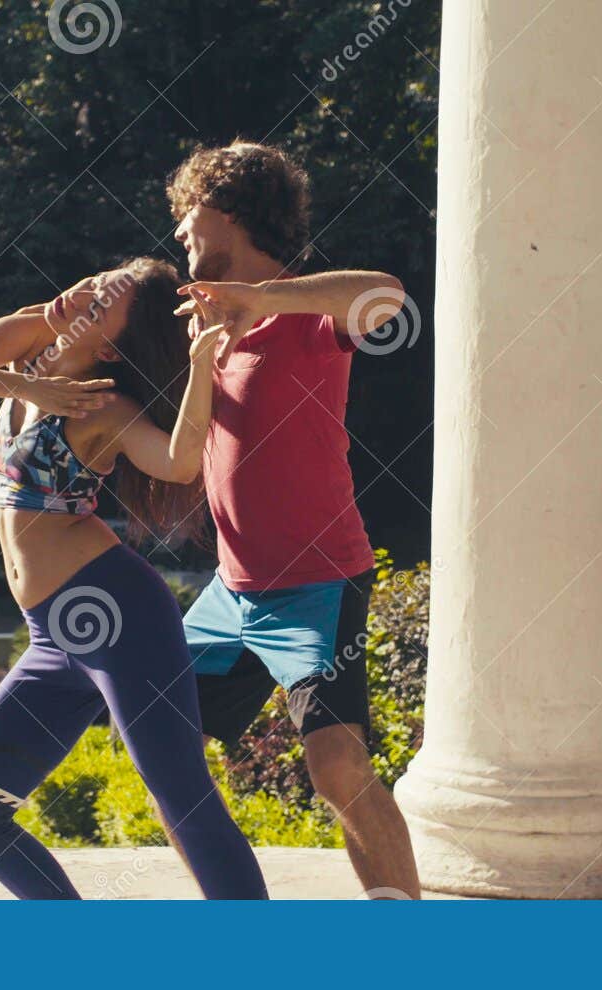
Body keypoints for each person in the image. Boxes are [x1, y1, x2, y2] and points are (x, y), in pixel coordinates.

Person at [0, 256, 268, 900]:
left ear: (115, 342)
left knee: (183, 799)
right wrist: (29, 389)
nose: (84, 291)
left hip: (121, 619)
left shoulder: (107, 407)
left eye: (104, 301)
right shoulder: (29, 335)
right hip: (51, 637)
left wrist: (204, 368)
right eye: (95, 280)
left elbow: (180, 464)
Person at [163, 141, 421, 898]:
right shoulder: (209, 331)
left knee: (336, 765)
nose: (179, 231)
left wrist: (262, 301)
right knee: (157, 743)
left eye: (190, 212)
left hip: (314, 583)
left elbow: (387, 296)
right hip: (230, 592)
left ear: (233, 212)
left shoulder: (306, 316)